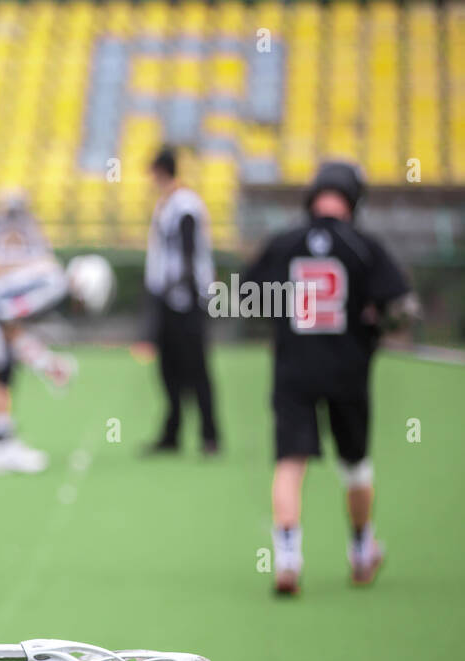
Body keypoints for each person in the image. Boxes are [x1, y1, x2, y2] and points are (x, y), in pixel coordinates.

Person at [241, 161, 418, 595]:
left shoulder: (284, 242)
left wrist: (280, 316)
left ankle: (287, 559)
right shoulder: (363, 246)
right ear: (353, 200)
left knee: (290, 462)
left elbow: (244, 297)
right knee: (355, 465)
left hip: (294, 368)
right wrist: (375, 322)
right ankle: (361, 552)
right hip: (348, 370)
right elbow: (402, 307)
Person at [0, 189, 113, 474]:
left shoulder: (49, 271)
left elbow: (5, 317)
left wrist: (42, 360)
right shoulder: (53, 283)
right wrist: (45, 362)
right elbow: (4, 315)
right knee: (1, 364)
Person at [143, 146, 220, 455]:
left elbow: (188, 251)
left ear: (161, 171)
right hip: (170, 297)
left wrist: (181, 288)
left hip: (185, 299)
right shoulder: (168, 204)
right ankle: (172, 433)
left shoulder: (184, 204)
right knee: (169, 368)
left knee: (195, 367)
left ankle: (210, 435)